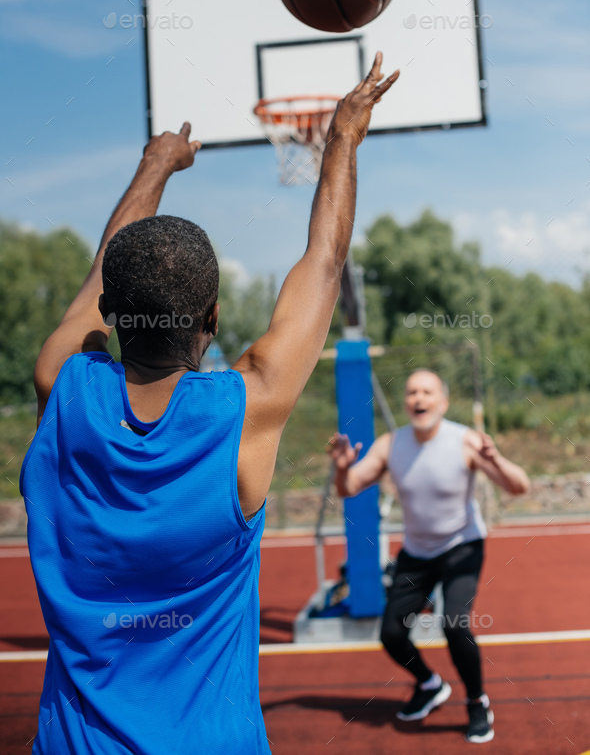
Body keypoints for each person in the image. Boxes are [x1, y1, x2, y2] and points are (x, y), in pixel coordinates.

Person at [20, 53, 400, 755]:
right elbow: (325, 258)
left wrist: (156, 165)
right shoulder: (243, 410)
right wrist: (342, 137)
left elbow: (108, 266)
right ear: (214, 320)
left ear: (106, 313)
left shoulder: (62, 382)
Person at [329, 368, 529, 744]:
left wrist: (497, 459)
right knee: (390, 634)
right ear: (406, 402)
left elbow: (519, 487)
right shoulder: (391, 445)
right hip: (417, 553)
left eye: (427, 392)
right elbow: (350, 487)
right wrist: (341, 470)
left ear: (443, 401)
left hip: (461, 547)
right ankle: (429, 682)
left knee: (454, 623)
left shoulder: (465, 441)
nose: (418, 398)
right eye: (411, 392)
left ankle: (477, 701)